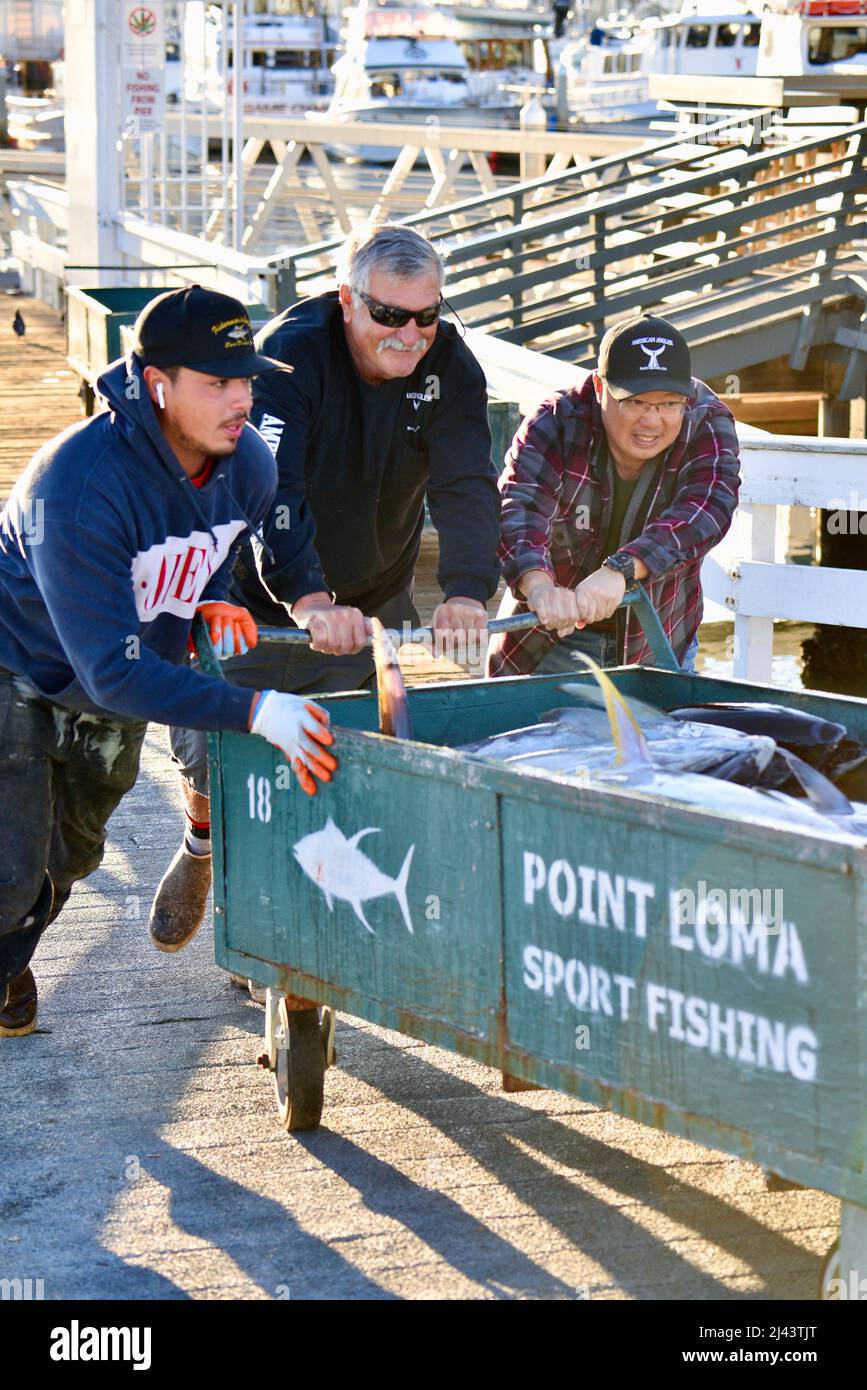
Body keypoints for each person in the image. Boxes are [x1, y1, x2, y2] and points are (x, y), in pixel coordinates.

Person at [150, 223, 501, 954]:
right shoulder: (286, 358)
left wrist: (467, 590)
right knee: (219, 765)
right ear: (347, 301)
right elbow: (272, 486)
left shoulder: (451, 367)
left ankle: (295, 941)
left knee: (354, 775)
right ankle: (203, 839)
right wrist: (307, 597)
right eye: (390, 316)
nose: (410, 336)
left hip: (372, 596)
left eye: (427, 316)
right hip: (248, 596)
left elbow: (466, 482)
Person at [0, 286, 338, 1038]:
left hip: (114, 671)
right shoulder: (80, 485)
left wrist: (208, 596)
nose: (241, 398)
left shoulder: (247, 461)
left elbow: (208, 541)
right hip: (19, 660)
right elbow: (113, 674)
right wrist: (258, 711)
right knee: (8, 870)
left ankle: (11, 948)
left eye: (246, 378)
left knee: (77, 855)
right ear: (157, 385)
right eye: (217, 382)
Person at [486, 314, 740, 678]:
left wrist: (623, 569)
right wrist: (539, 586)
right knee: (515, 730)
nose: (652, 421)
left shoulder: (706, 420)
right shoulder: (556, 419)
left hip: (658, 636)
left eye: (668, 404)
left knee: (660, 736)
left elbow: (708, 507)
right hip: (547, 636)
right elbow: (520, 506)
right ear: (601, 388)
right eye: (636, 402)